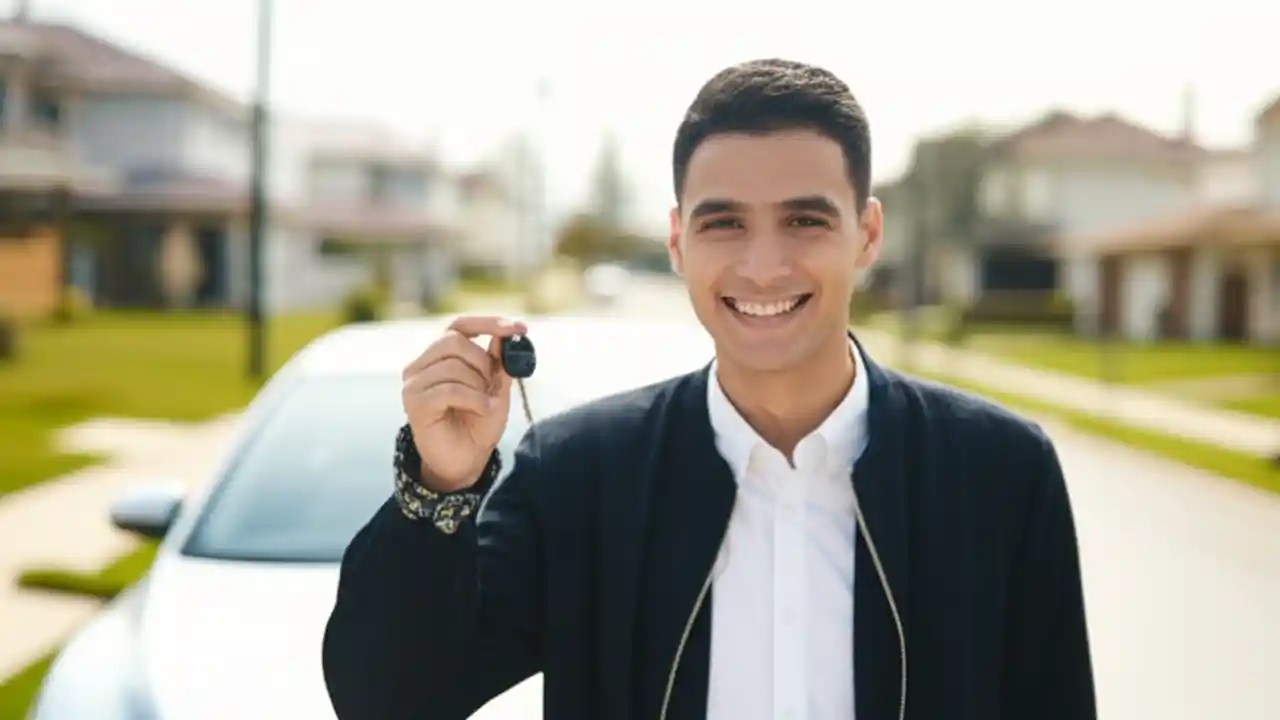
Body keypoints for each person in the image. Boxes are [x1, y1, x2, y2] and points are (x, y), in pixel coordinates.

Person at [322, 58, 1096, 720]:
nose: (763, 266)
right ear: (677, 242)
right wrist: (441, 486)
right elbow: (392, 700)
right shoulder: (579, 474)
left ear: (866, 235)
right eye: (724, 223)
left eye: (804, 221)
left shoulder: (999, 473)